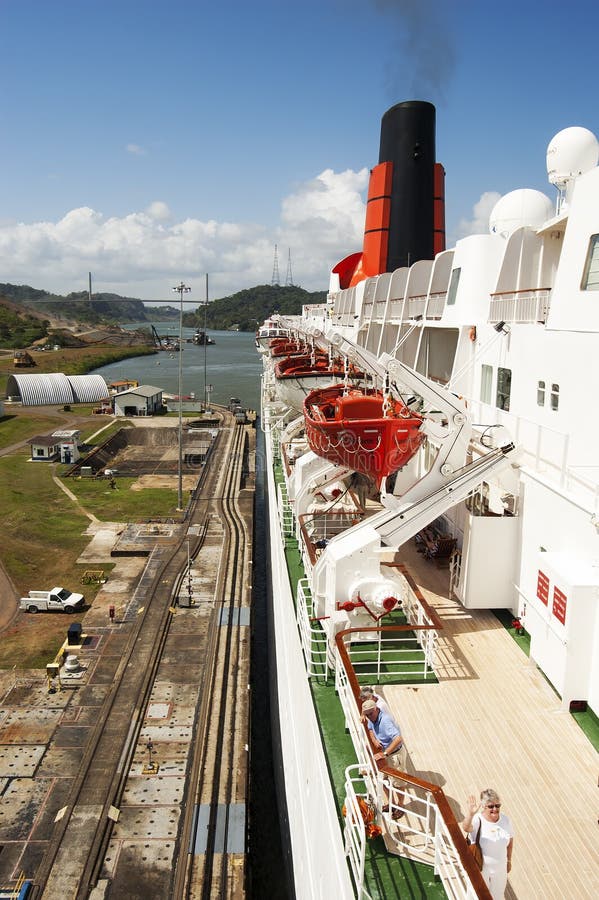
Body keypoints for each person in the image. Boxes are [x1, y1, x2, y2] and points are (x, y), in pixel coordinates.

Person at [460, 789, 514, 899]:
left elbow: (510, 842)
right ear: (484, 806)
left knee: (498, 896)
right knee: (476, 895)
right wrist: (470, 814)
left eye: (497, 806)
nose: (495, 809)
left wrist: (508, 861)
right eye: (491, 806)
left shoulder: (505, 820)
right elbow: (466, 827)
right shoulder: (477, 820)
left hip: (500, 868)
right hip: (480, 868)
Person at [362, 698, 407, 819]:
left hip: (394, 755)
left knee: (398, 783)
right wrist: (374, 739)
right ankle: (391, 803)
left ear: (376, 709)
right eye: (367, 715)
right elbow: (370, 728)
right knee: (383, 778)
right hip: (384, 754)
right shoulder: (372, 716)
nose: (369, 717)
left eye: (371, 713)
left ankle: (401, 806)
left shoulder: (385, 721)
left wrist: (385, 754)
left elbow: (398, 739)